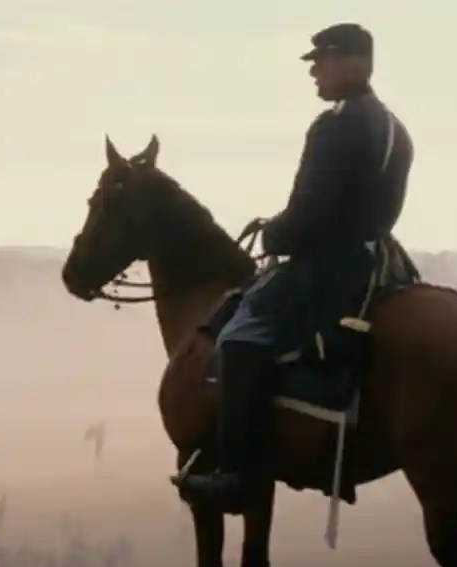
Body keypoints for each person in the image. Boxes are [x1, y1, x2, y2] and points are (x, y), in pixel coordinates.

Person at [176, 22, 414, 509]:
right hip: (377, 261)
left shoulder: (335, 126)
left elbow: (308, 214)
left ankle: (238, 478)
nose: (315, 75)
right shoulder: (394, 127)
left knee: (238, 340)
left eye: (322, 63)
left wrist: (272, 232)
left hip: (331, 267)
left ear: (353, 64)